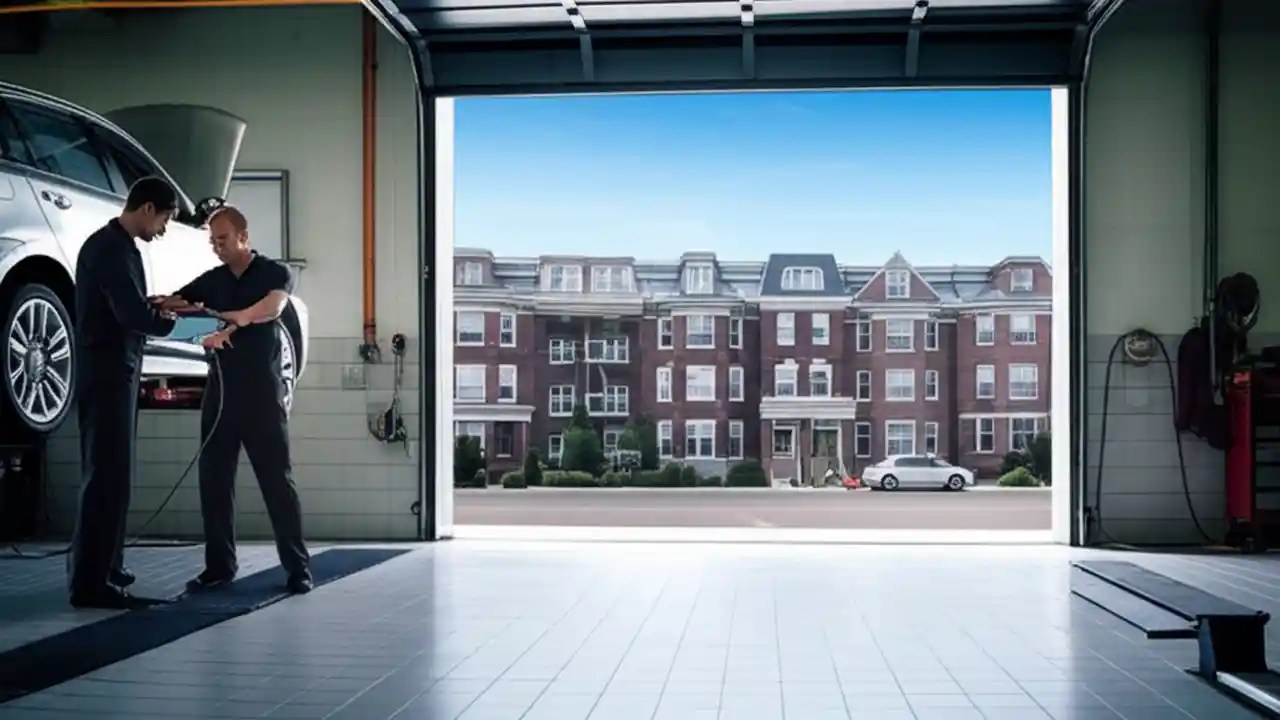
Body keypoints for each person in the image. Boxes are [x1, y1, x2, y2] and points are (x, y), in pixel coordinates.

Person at [153, 205, 312, 594]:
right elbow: (179, 302)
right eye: (212, 241)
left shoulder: (276, 272)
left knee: (277, 482)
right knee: (214, 480)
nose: (216, 247)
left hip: (262, 395)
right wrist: (160, 305)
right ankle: (219, 567)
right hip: (221, 393)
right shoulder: (213, 279)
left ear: (243, 236)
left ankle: (298, 569)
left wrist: (236, 316)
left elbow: (273, 306)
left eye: (222, 240)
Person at [69, 177, 180, 609]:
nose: (166, 228)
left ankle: (106, 566)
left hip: (115, 370)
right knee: (106, 477)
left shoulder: (117, 246)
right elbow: (129, 313)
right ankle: (91, 584)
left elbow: (126, 305)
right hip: (107, 373)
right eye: (167, 218)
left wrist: (149, 307)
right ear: (148, 208)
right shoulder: (111, 249)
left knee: (113, 474)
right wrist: (169, 320)